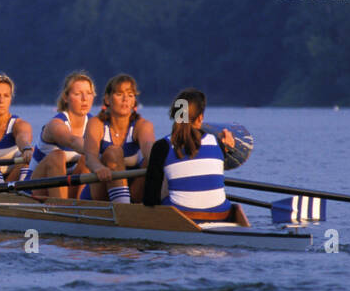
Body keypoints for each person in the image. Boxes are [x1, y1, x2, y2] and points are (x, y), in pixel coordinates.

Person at [142, 88, 238, 221]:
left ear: (175, 116)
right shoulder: (216, 142)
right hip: (221, 214)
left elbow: (150, 199)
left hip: (181, 216)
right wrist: (227, 148)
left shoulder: (161, 146)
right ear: (200, 118)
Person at [81, 73, 156, 203]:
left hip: (134, 192)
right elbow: (90, 158)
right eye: (119, 94)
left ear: (134, 102)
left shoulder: (143, 125)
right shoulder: (96, 123)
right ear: (107, 99)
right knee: (114, 152)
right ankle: (124, 208)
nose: (125, 99)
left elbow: (149, 149)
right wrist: (99, 168)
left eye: (130, 95)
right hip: (100, 192)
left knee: (153, 161)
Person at [26, 71, 95, 198]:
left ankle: (81, 207)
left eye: (89, 93)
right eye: (78, 94)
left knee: (87, 160)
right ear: (66, 97)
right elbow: (73, 141)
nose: (85, 99)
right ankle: (63, 207)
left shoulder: (95, 124)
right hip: (33, 190)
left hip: (68, 188)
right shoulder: (55, 125)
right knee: (57, 156)